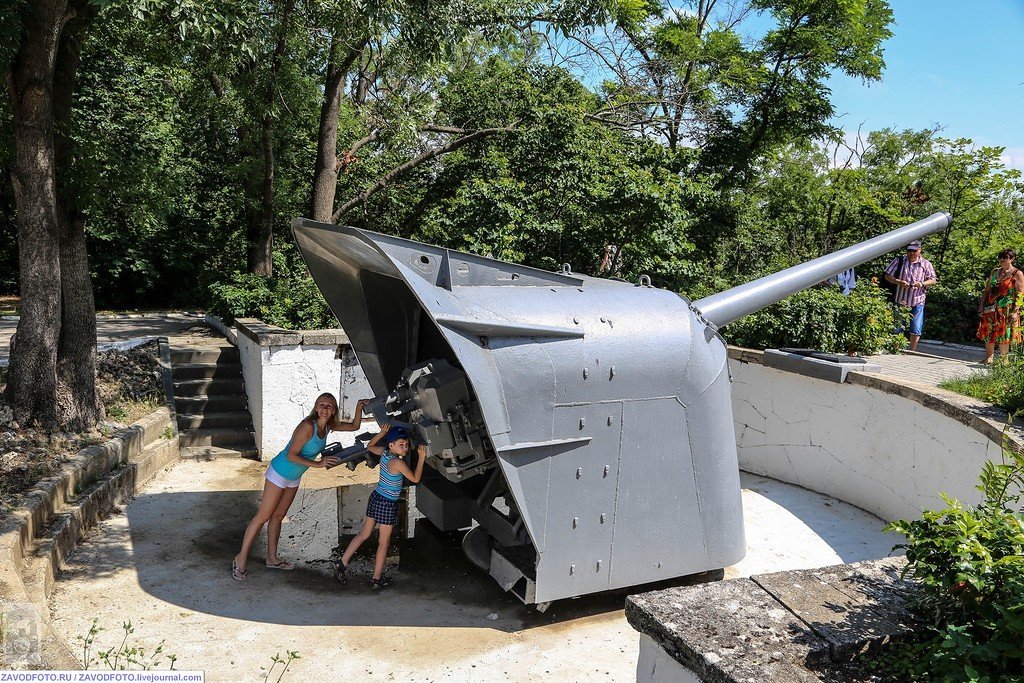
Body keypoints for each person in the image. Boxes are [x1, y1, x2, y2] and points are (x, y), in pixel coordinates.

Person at [232, 394, 369, 581]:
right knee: (263, 516)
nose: (325, 408)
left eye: (329, 405)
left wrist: (359, 407)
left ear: (334, 410)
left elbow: (354, 426)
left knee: (279, 517)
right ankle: (240, 558)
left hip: (294, 477)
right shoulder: (307, 426)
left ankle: (272, 559)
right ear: (315, 407)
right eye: (321, 404)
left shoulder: (327, 426)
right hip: (279, 472)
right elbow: (291, 456)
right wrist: (319, 464)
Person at [335, 424, 426, 590]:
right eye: (401, 445)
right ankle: (376, 579)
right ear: (391, 445)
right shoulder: (397, 463)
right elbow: (414, 478)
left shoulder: (384, 453)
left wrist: (381, 433)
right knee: (384, 542)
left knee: (364, 533)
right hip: (387, 503)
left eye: (406, 444)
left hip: (376, 497)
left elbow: (370, 446)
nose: (405, 448)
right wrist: (421, 457)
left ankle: (342, 562)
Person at [884, 240, 937, 352]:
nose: (911, 253)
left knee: (916, 327)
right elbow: (887, 276)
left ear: (919, 250)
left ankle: (912, 351)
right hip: (901, 299)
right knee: (897, 326)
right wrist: (898, 281)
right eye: (909, 251)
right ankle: (896, 349)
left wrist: (922, 284)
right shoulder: (899, 261)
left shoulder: (926, 264)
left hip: (918, 299)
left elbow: (933, 280)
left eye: (914, 251)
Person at [976, 247, 1024, 364]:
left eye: (1005, 258)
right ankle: (989, 358)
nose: (1002, 260)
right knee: (988, 332)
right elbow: (987, 291)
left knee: (1004, 333)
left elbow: (1020, 294)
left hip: (1007, 309)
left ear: (1012, 259)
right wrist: (981, 305)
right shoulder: (994, 272)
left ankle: (1003, 360)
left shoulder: (1017, 274)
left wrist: (1015, 311)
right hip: (991, 308)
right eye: (1000, 257)